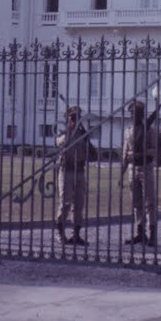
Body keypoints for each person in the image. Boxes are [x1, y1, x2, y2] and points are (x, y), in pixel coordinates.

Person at [54, 105, 96, 245]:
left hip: (79, 171)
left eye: (77, 118)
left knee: (78, 205)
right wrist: (69, 130)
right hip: (66, 171)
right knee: (65, 204)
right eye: (72, 118)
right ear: (67, 119)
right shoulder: (64, 133)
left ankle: (76, 235)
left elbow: (92, 154)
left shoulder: (83, 135)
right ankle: (60, 232)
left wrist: (85, 136)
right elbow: (59, 142)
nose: (74, 120)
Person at [120, 100, 159, 246]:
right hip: (132, 169)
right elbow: (125, 153)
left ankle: (153, 234)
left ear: (141, 115)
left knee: (149, 203)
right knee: (136, 203)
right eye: (132, 113)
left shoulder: (149, 130)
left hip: (146, 168)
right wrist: (121, 173)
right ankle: (140, 233)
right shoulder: (128, 131)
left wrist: (141, 152)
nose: (133, 116)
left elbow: (155, 151)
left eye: (136, 113)